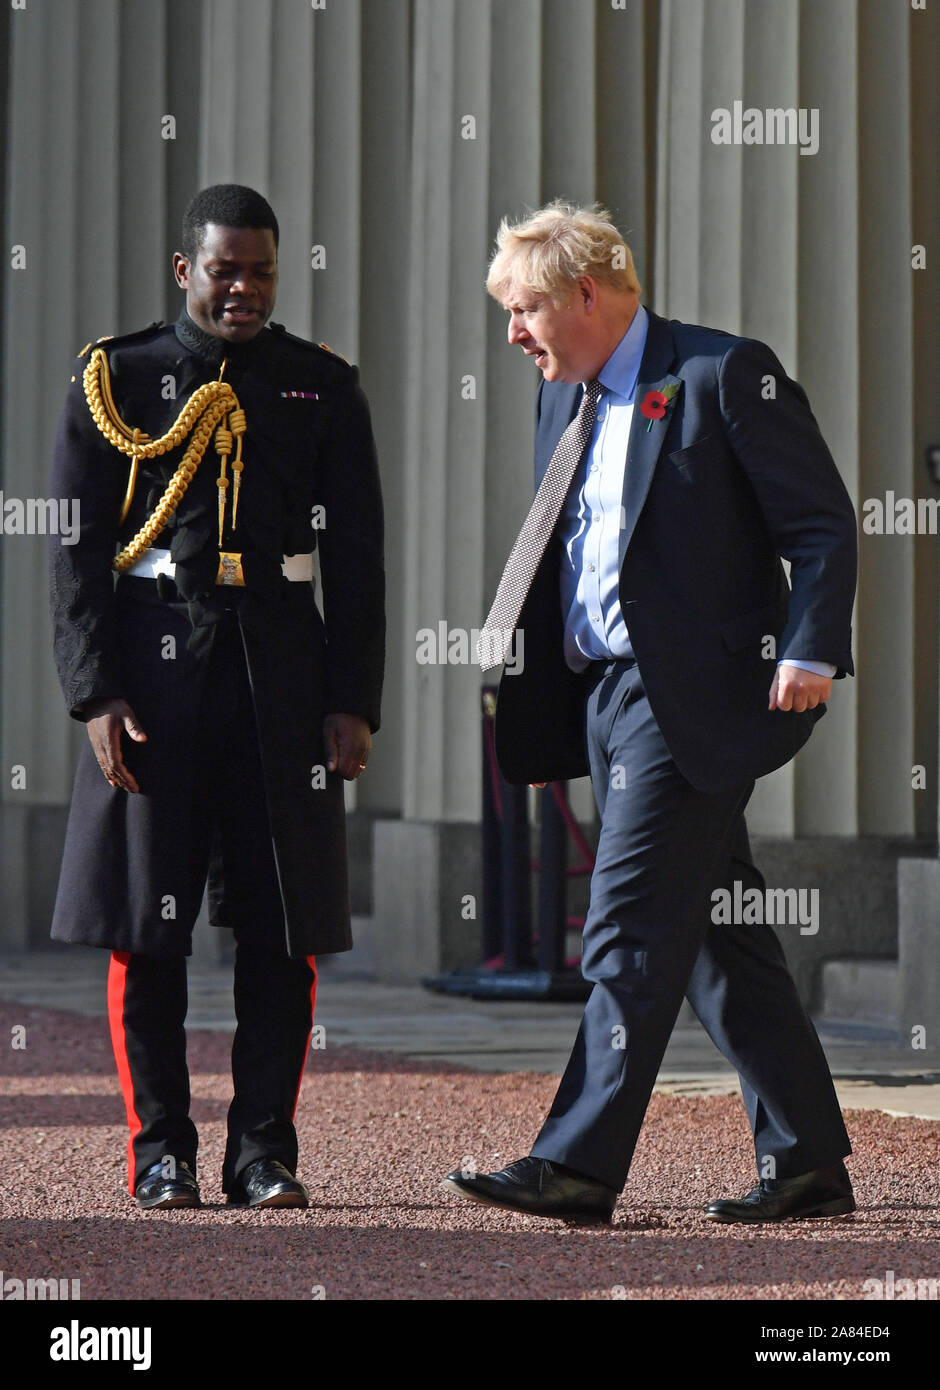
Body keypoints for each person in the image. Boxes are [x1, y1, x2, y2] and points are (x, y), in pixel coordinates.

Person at [443, 202, 857, 1224]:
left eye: (526, 307)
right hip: (603, 697)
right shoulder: (565, 395)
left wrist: (809, 645)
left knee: (625, 926)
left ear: (589, 291)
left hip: (689, 701)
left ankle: (578, 1163)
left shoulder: (723, 374)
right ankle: (806, 1159)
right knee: (719, 934)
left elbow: (820, 521)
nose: (513, 332)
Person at [48, 184, 385, 1211]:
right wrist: (93, 692)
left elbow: (357, 559)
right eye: (225, 268)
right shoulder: (120, 379)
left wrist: (353, 699)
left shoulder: (317, 386)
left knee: (284, 930)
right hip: (151, 680)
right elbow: (74, 554)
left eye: (262, 270)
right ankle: (161, 1151)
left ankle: (262, 1152)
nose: (244, 287)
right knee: (145, 932)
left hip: (278, 676)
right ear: (186, 269)